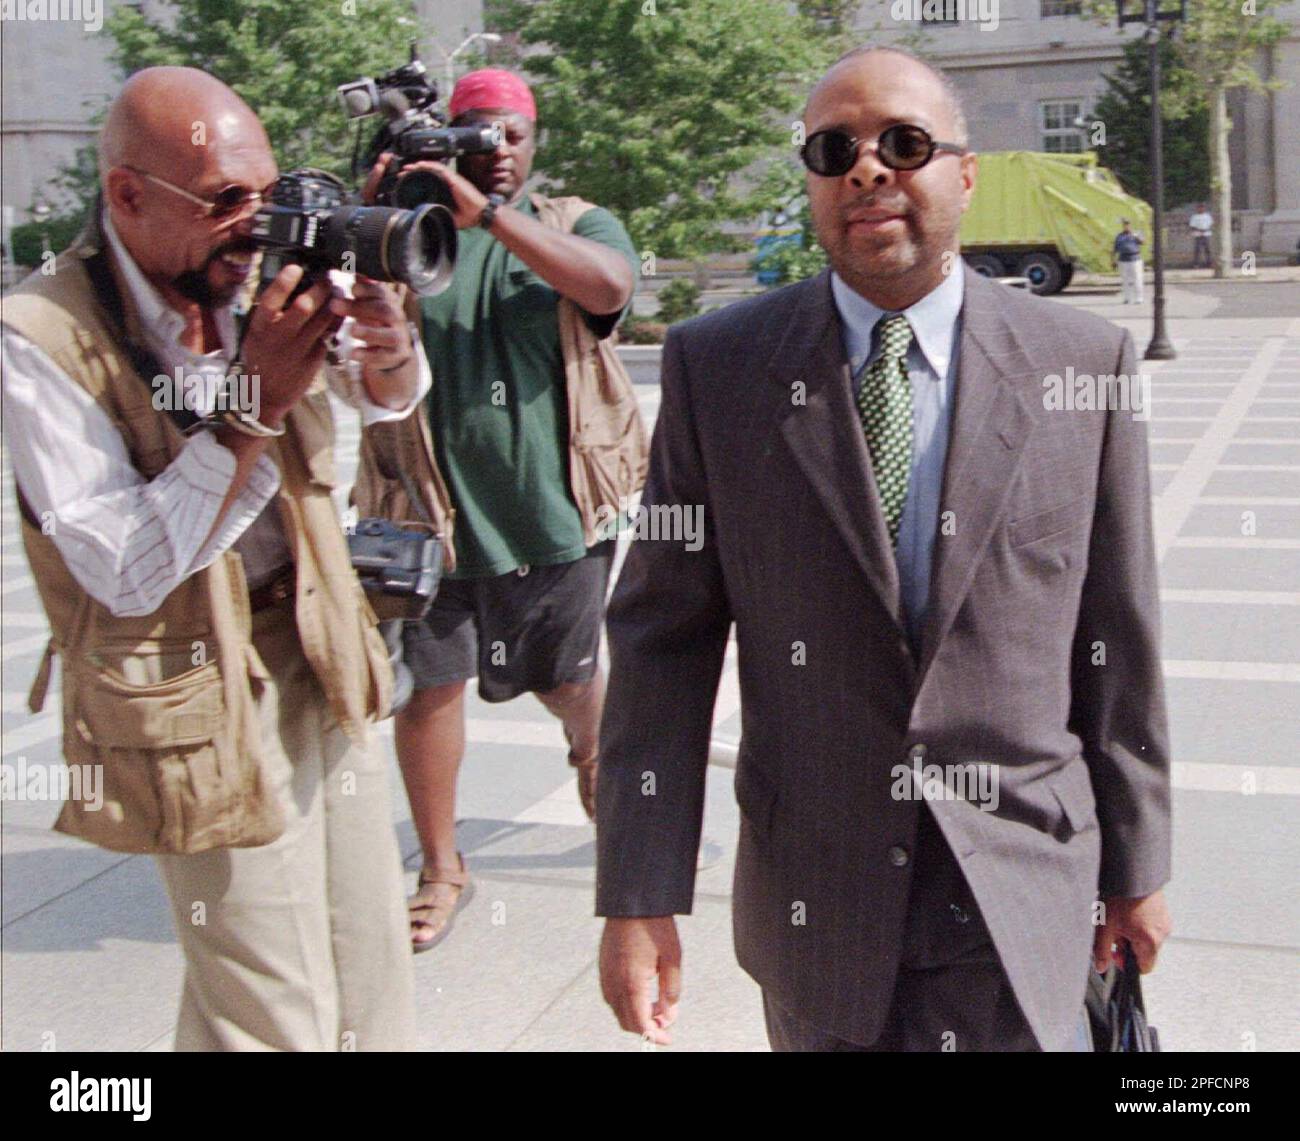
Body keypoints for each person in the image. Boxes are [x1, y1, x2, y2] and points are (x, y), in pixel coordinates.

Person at [594, 45, 1172, 1052]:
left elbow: (1114, 639)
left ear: (964, 172)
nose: (866, 169)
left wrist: (1138, 863)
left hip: (1020, 894)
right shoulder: (718, 367)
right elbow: (661, 643)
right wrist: (639, 891)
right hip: (821, 907)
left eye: (902, 143)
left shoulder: (1083, 365)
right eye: (833, 149)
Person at [0, 68, 425, 1050]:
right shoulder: (39, 338)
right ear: (127, 195)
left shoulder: (250, 273)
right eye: (227, 201)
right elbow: (124, 570)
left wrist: (389, 348)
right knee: (275, 1014)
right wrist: (253, 407)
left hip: (320, 646)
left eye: (266, 194)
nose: (257, 224)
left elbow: (387, 402)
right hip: (189, 692)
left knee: (367, 976)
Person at [352, 70, 645, 951]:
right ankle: (443, 866)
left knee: (565, 678)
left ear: (535, 141)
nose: (499, 150)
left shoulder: (571, 222)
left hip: (553, 515)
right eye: (479, 133)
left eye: (516, 134)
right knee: (430, 690)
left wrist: (487, 217)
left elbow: (607, 288)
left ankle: (596, 757)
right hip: (424, 514)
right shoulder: (407, 227)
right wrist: (374, 212)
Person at [1113, 218, 1145, 304]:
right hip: (1123, 259)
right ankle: (1127, 298)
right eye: (1125, 224)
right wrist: (1113, 260)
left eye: (1128, 224)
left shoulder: (1136, 233)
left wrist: (1136, 236)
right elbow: (1115, 249)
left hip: (1135, 259)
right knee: (1125, 279)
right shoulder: (1119, 236)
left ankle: (1139, 298)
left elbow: (1142, 242)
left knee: (1137, 278)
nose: (1127, 226)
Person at [1188, 203, 1213, 269]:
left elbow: (1210, 225)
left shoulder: (1207, 216)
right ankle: (1196, 264)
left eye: (1202, 208)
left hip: (1206, 234)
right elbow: (1192, 226)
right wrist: (1200, 230)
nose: (1201, 209)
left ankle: (1209, 263)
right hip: (1198, 234)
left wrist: (1205, 230)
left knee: (1207, 250)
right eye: (1199, 208)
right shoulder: (1194, 217)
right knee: (1197, 250)